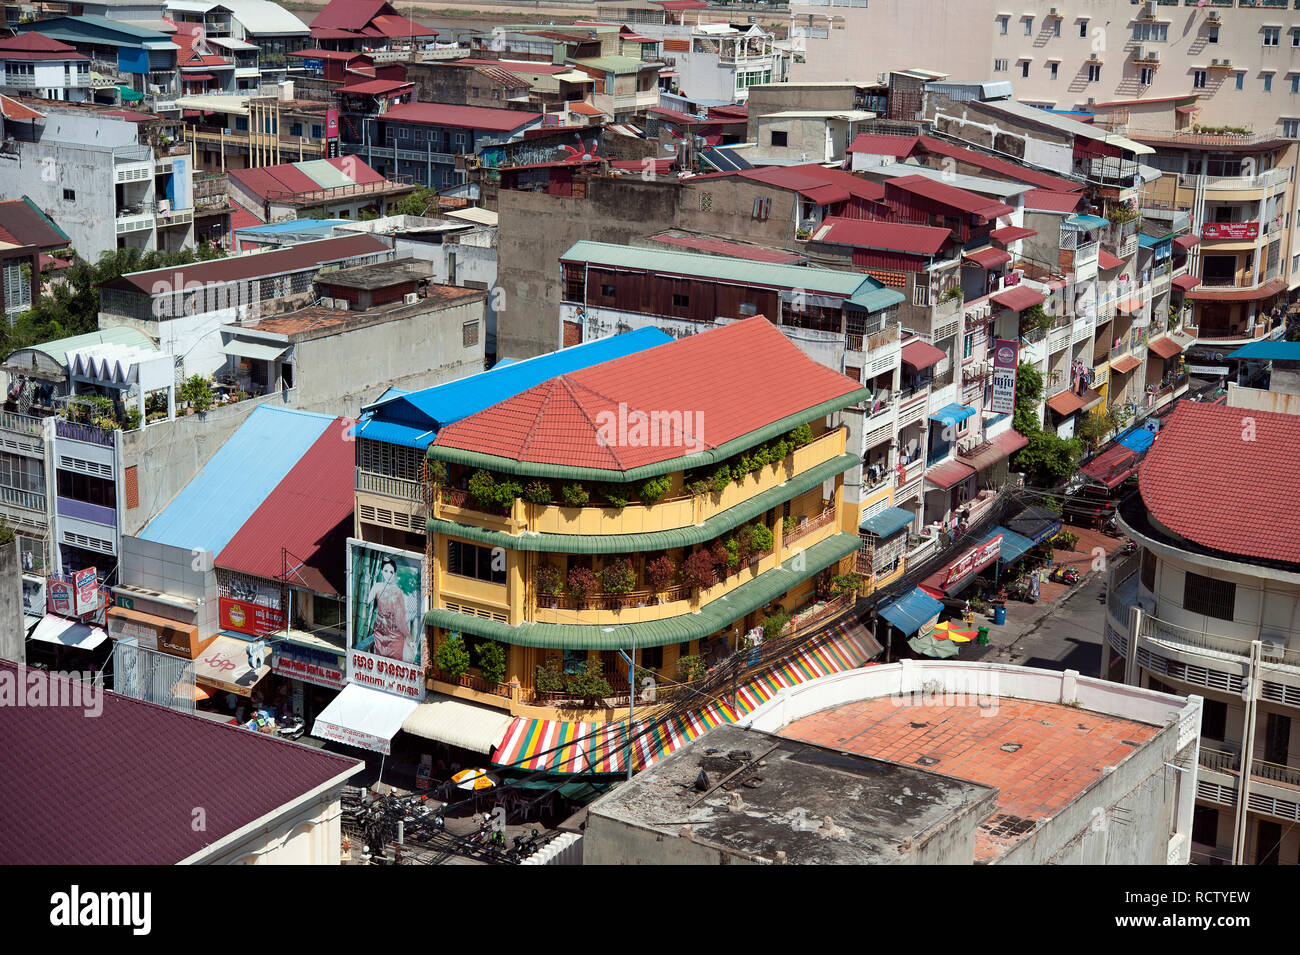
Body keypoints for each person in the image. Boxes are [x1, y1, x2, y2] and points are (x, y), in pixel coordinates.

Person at [365, 556, 417, 662]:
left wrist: (408, 637)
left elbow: (401, 618)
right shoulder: (377, 586)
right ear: (381, 571)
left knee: (394, 665)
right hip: (380, 633)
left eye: (391, 572)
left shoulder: (398, 592)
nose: (388, 574)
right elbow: (367, 601)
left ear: (395, 574)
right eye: (386, 571)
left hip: (395, 635)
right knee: (379, 662)